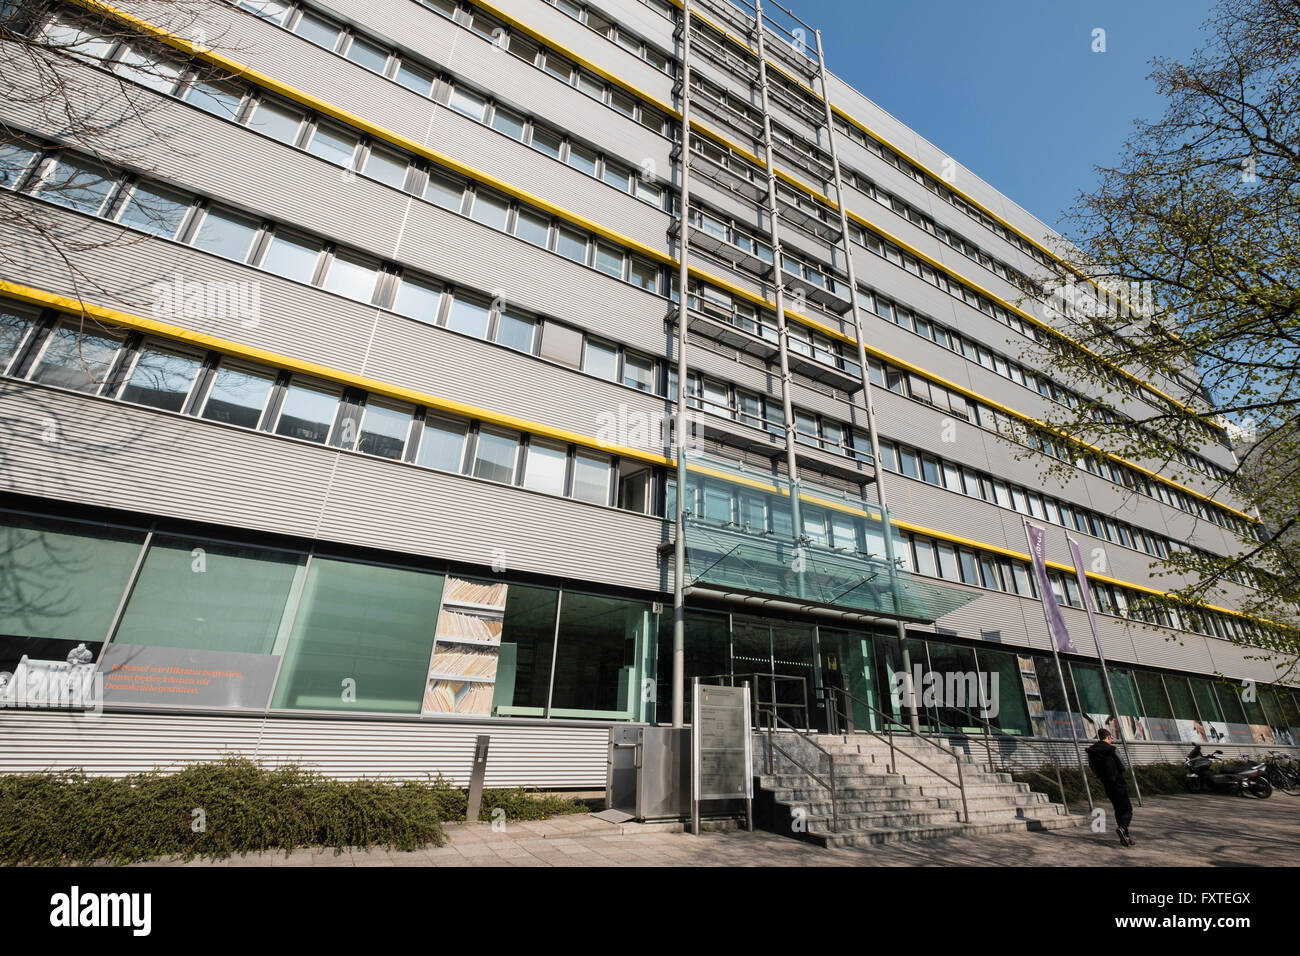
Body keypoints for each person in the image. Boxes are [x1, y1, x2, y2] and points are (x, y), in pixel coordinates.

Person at [1086, 728, 1134, 847]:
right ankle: (1122, 828)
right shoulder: (1112, 749)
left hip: (1106, 784)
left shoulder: (1092, 751)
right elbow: (1123, 765)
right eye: (1111, 738)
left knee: (1118, 809)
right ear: (1108, 738)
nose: (1111, 740)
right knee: (1128, 810)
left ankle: (1126, 837)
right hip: (1118, 782)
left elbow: (1091, 767)